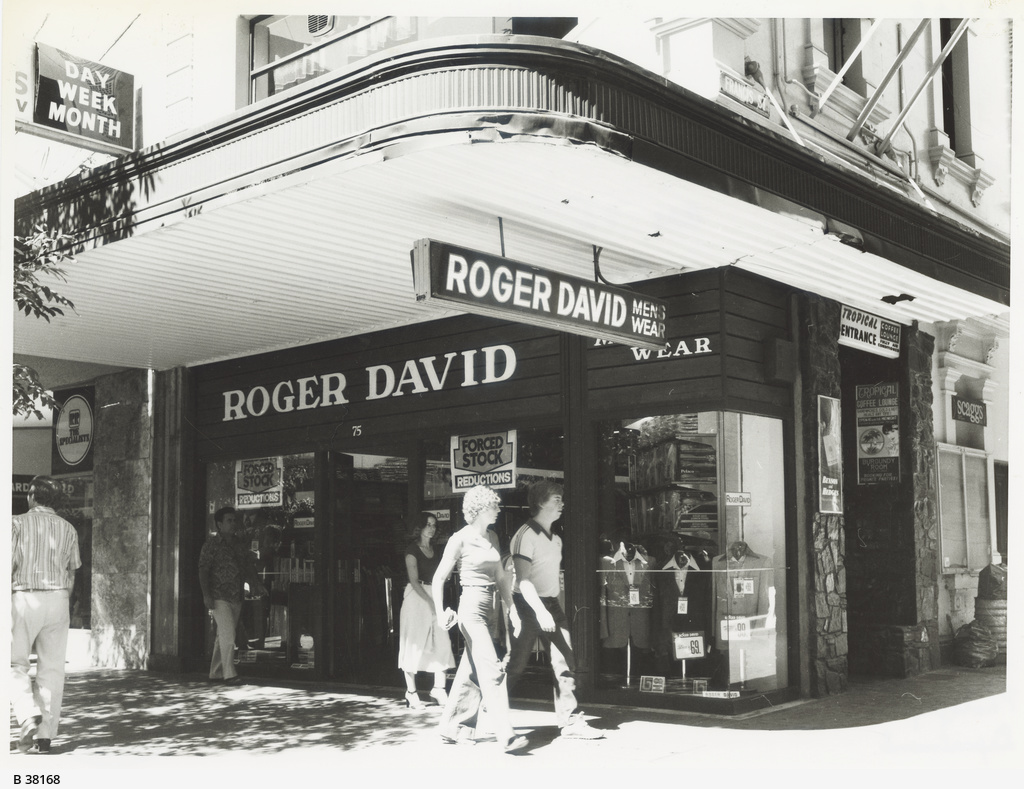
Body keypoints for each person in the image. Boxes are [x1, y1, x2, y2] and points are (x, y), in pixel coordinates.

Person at [431, 485, 528, 753]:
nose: (498, 510)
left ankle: (454, 727)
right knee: (492, 668)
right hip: (471, 608)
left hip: (491, 607)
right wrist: (440, 612)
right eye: (494, 506)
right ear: (480, 508)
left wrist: (512, 609)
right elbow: (439, 578)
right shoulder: (458, 539)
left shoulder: (493, 537)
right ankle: (505, 734)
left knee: (472, 670)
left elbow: (500, 577)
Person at [505, 481, 604, 739]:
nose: (562, 504)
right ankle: (489, 707)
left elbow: (549, 577)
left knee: (565, 660)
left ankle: (570, 721)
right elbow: (523, 580)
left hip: (549, 605)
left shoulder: (556, 539)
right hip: (527, 605)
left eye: (562, 499)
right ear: (540, 502)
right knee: (516, 665)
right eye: (556, 499)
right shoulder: (524, 535)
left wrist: (552, 605)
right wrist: (540, 611)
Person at [11, 475, 82, 754]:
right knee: (52, 669)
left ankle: (27, 712)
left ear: (32, 496)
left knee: (13, 664)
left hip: (24, 597)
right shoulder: (69, 528)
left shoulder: (16, 523)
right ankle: (44, 737)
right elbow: (72, 572)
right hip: (58, 599)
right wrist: (66, 602)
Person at [198, 506, 267, 684]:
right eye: (229, 520)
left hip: (236, 596)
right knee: (229, 635)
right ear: (219, 524)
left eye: (234, 520)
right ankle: (230, 674)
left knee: (224, 635)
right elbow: (203, 570)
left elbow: (246, 566)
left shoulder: (239, 543)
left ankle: (215, 672)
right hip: (219, 596)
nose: (233, 523)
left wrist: (255, 584)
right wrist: (206, 595)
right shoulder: (211, 545)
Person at [398, 513, 455, 708]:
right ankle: (411, 692)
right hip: (417, 598)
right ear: (419, 528)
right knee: (414, 643)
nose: (431, 528)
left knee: (442, 641)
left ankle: (439, 688)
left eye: (434, 525)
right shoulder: (412, 550)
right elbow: (414, 580)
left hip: (434, 595)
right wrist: (431, 602)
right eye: (428, 525)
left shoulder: (435, 550)